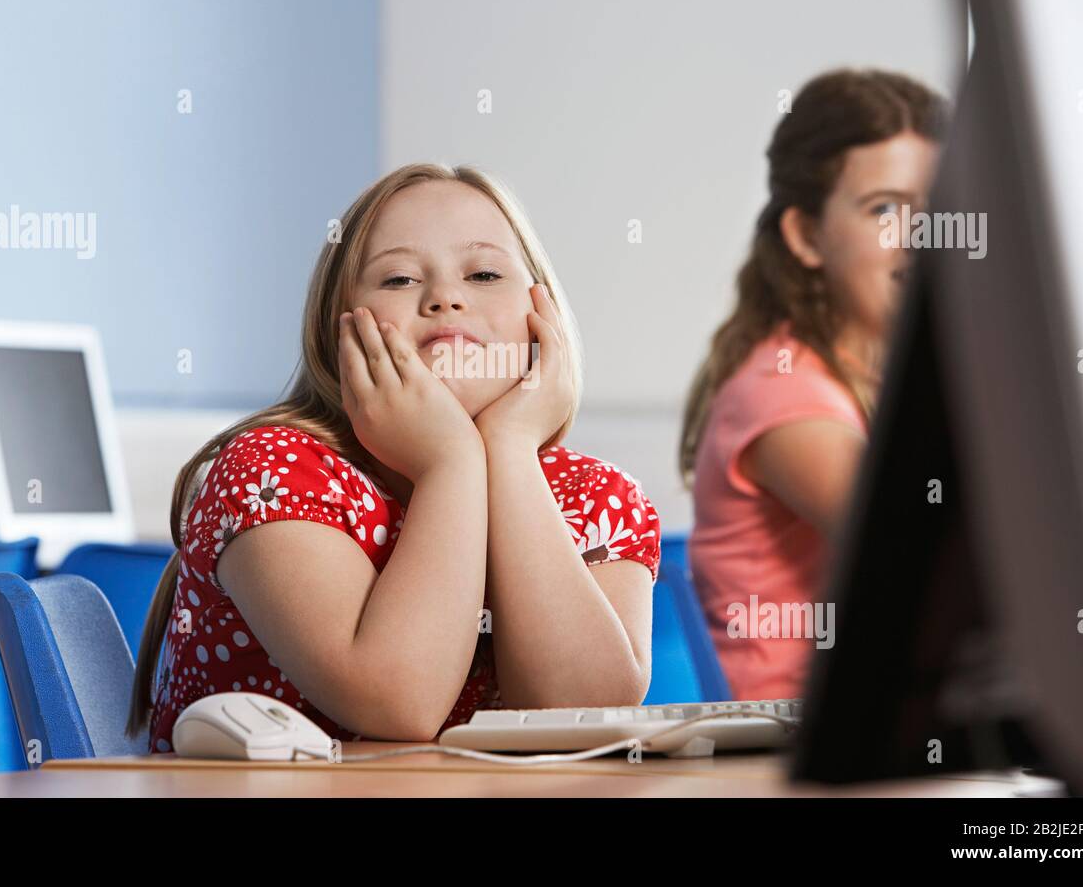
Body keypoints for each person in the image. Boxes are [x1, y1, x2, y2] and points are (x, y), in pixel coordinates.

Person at [127, 163, 661, 749]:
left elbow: (586, 714)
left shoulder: (598, 497)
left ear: (545, 318)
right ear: (338, 328)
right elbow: (395, 703)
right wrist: (450, 462)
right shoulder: (272, 469)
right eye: (400, 280)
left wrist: (506, 449)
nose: (446, 298)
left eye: (483, 273)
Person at [678, 70, 948, 700]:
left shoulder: (895, 380)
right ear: (806, 235)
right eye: (885, 208)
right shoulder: (785, 392)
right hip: (783, 756)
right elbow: (927, 547)